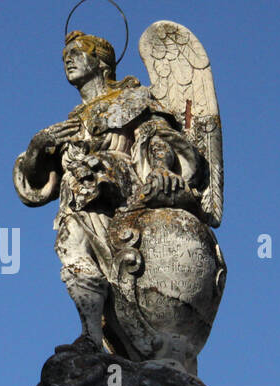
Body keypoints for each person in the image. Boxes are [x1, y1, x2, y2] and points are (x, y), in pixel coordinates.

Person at [14, 31, 210, 349]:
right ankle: (90, 335)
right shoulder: (72, 121)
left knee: (124, 276)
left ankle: (132, 337)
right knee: (73, 254)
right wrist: (38, 147)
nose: (68, 59)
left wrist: (161, 169)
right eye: (65, 55)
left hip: (122, 196)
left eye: (77, 52)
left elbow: (157, 136)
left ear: (102, 62)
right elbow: (36, 184)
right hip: (77, 201)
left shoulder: (132, 100)